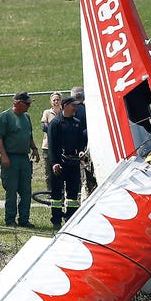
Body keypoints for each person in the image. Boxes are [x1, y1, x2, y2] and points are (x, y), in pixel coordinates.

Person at [0, 91, 40, 227]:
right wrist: (4, 156)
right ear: (18, 103)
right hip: (10, 157)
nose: (29, 106)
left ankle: (24, 219)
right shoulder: (5, 116)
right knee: (11, 191)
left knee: (26, 190)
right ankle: (10, 219)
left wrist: (34, 149)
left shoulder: (27, 117)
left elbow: (29, 135)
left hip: (24, 159)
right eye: (27, 104)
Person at [47, 96, 87, 228]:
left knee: (72, 194)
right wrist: (54, 163)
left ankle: (71, 218)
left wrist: (81, 151)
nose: (75, 108)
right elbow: (51, 145)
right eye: (73, 105)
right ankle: (56, 220)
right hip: (59, 163)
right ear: (65, 106)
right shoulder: (55, 123)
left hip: (73, 162)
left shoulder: (76, 122)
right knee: (57, 194)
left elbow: (81, 141)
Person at [70, 85, 97, 195]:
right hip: (89, 146)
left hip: (76, 148)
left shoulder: (73, 111)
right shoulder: (89, 109)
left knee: (79, 177)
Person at [40, 92, 62, 200]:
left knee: (60, 170)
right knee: (48, 171)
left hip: (61, 146)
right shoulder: (47, 113)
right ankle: (49, 192)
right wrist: (55, 131)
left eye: (58, 100)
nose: (56, 102)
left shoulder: (63, 113)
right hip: (47, 146)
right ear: (51, 102)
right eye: (54, 100)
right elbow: (44, 126)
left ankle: (61, 192)